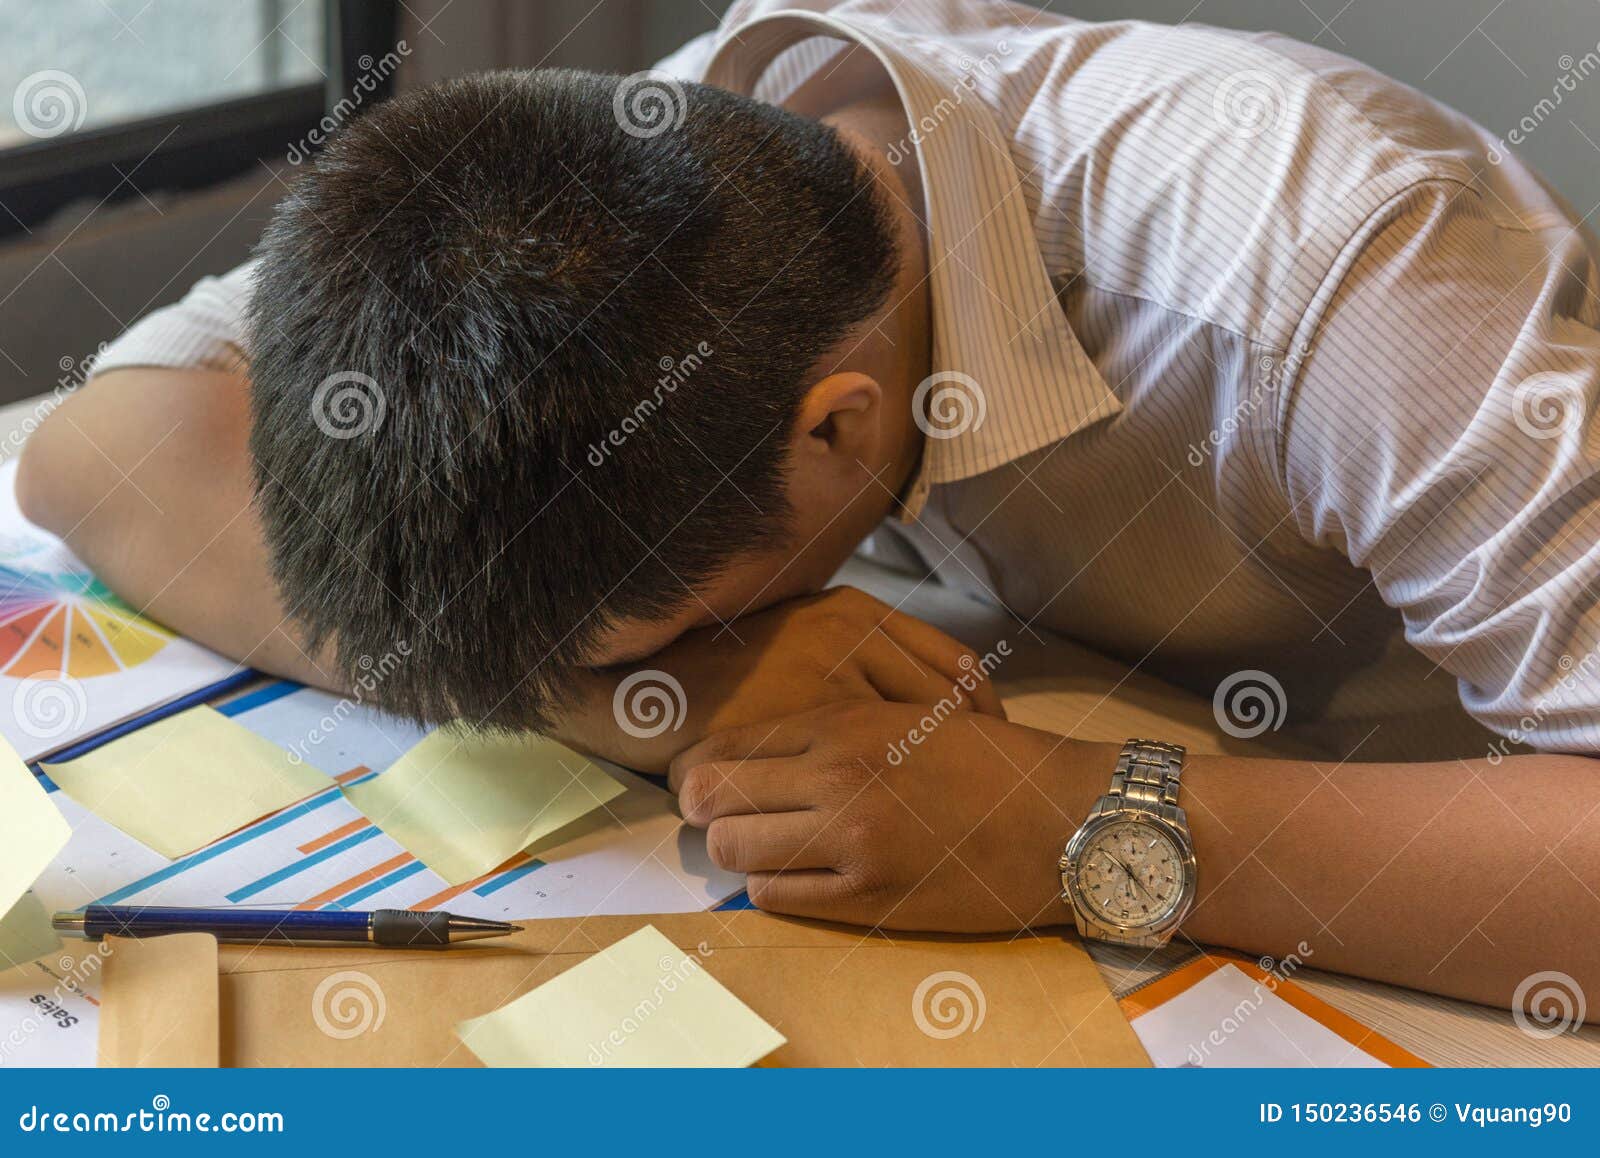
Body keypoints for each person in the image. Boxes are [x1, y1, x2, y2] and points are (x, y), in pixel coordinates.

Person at [18, 0, 1600, 1018]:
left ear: (838, 428)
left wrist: (1081, 824)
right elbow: (94, 445)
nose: (658, 669)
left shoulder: (1348, 272)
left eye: (670, 630)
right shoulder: (666, 153)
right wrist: (646, 692)